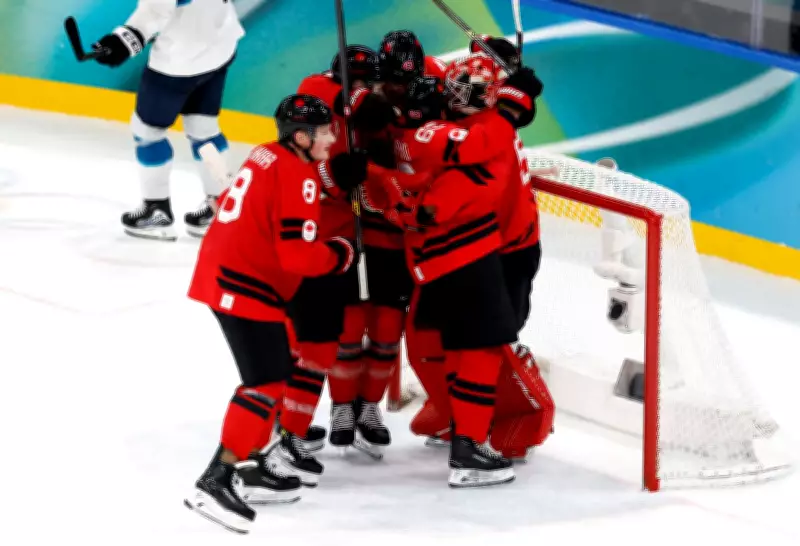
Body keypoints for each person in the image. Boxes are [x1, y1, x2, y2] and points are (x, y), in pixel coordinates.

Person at [183, 94, 364, 533]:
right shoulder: (300, 176)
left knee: (276, 372)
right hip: (243, 286)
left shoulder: (266, 153)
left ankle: (250, 465)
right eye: (324, 132)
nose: (332, 138)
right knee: (264, 382)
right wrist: (340, 253)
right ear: (301, 137)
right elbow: (297, 257)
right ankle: (216, 479)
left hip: (226, 273)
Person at [91, 0, 243, 240]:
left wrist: (121, 42)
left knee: (147, 132)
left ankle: (156, 210)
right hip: (220, 42)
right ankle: (222, 205)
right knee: (203, 128)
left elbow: (155, 12)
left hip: (180, 57)